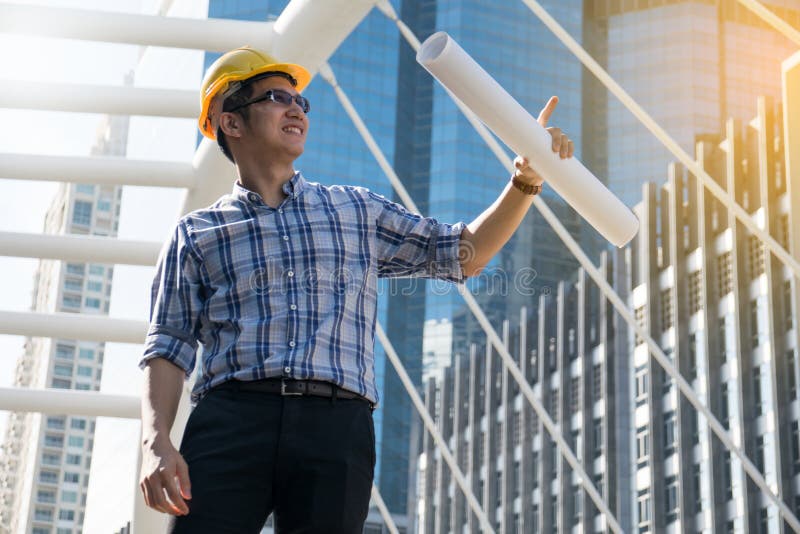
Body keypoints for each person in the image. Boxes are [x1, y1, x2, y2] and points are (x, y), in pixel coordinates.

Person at [138, 46, 574, 533]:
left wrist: (524, 181)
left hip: (336, 426)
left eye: (302, 102)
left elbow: (461, 252)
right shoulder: (196, 234)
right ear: (230, 123)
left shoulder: (356, 211)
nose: (296, 108)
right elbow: (169, 346)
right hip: (232, 420)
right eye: (277, 98)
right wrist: (156, 444)